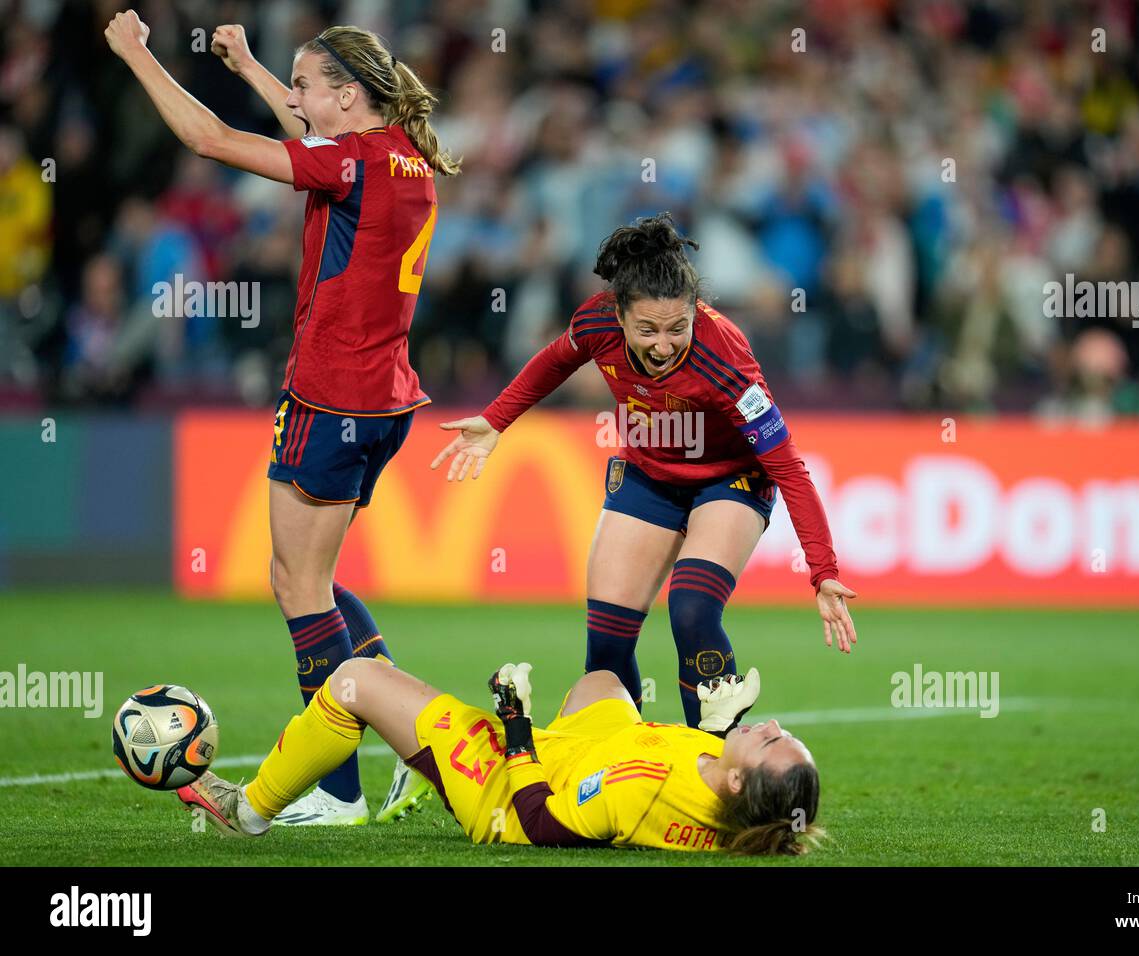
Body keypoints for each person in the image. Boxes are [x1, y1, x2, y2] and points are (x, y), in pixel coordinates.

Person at [105, 11, 459, 824]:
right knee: (313, 581)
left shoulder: (350, 162)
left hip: (330, 395)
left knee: (298, 586)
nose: (295, 99)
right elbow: (313, 135)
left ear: (346, 93)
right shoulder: (401, 157)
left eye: (305, 86)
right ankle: (416, 739)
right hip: (384, 398)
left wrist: (137, 55)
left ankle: (337, 791)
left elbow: (208, 141)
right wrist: (254, 67)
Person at [432, 213, 858, 726]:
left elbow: (788, 467)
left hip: (730, 480)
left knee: (693, 608)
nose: (663, 345)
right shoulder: (596, 323)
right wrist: (497, 419)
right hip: (647, 477)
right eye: (648, 329)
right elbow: (555, 360)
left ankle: (717, 765)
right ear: (619, 315)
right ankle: (623, 771)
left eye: (678, 327)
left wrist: (823, 571)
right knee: (607, 647)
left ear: (695, 313)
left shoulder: (726, 359)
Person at [179, 659, 823, 855]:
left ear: (737, 780)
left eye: (767, 738)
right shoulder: (726, 790)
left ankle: (252, 809)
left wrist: (514, 722)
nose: (768, 723)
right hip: (595, 747)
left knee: (355, 680)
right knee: (603, 684)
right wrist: (720, 726)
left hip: (508, 796)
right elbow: (707, 769)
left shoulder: (641, 787)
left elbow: (542, 825)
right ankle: (420, 758)